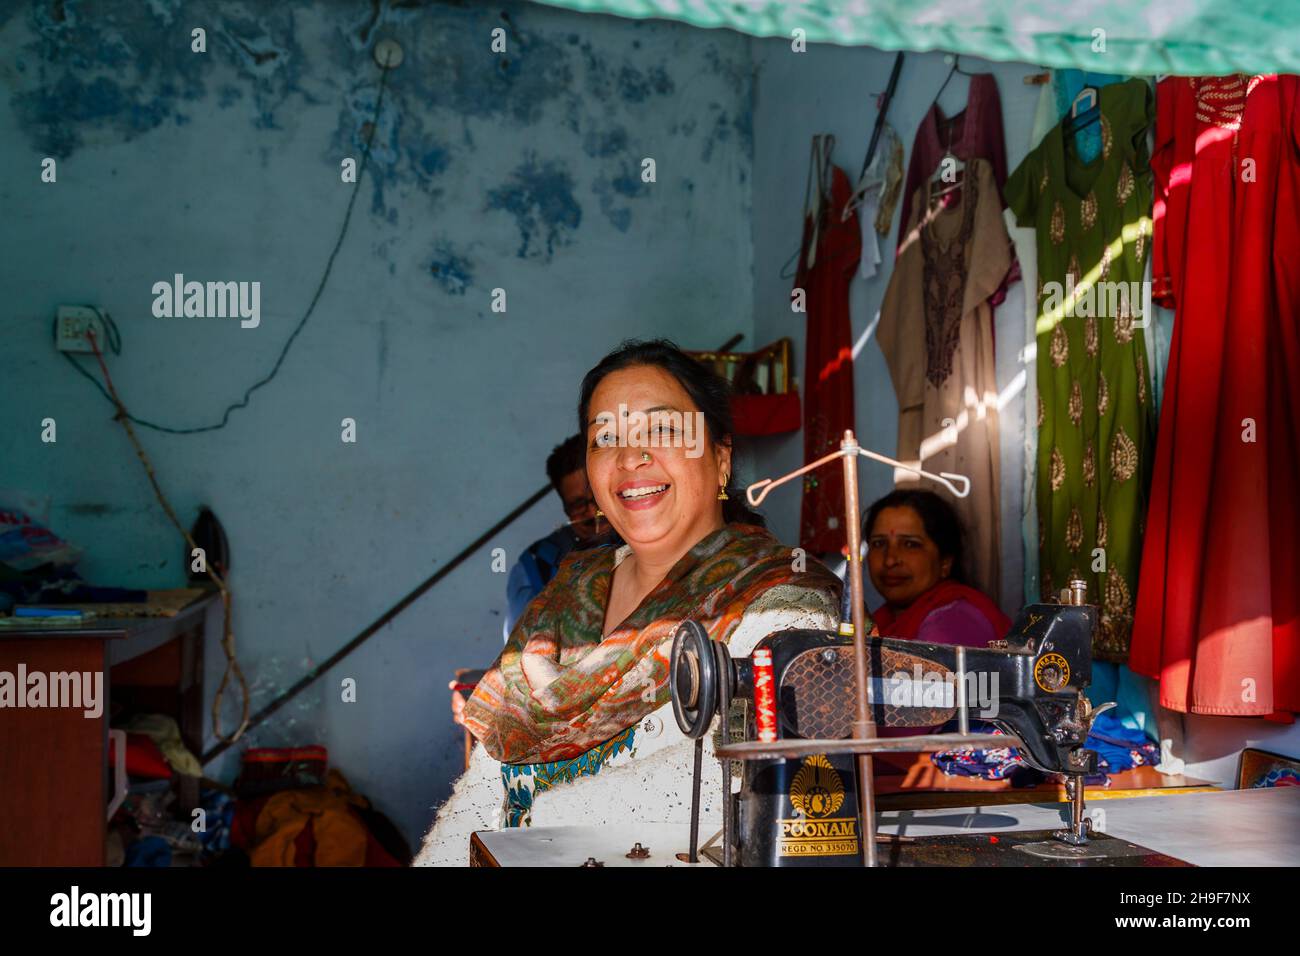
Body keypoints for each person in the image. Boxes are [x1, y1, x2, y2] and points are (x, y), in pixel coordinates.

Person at [417, 339, 843, 865]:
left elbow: (735, 788)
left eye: (662, 431)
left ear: (721, 458)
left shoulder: (775, 602)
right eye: (606, 439)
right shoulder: (565, 597)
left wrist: (530, 831)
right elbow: (489, 775)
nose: (630, 458)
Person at [448, 436, 609, 731]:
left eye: (597, 496)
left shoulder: (646, 543)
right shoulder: (537, 565)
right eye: (578, 505)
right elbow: (522, 664)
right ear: (565, 511)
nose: (592, 511)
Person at [861, 488, 1010, 646]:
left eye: (910, 544)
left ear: (945, 562)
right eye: (879, 543)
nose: (890, 560)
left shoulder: (953, 622)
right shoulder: (881, 621)